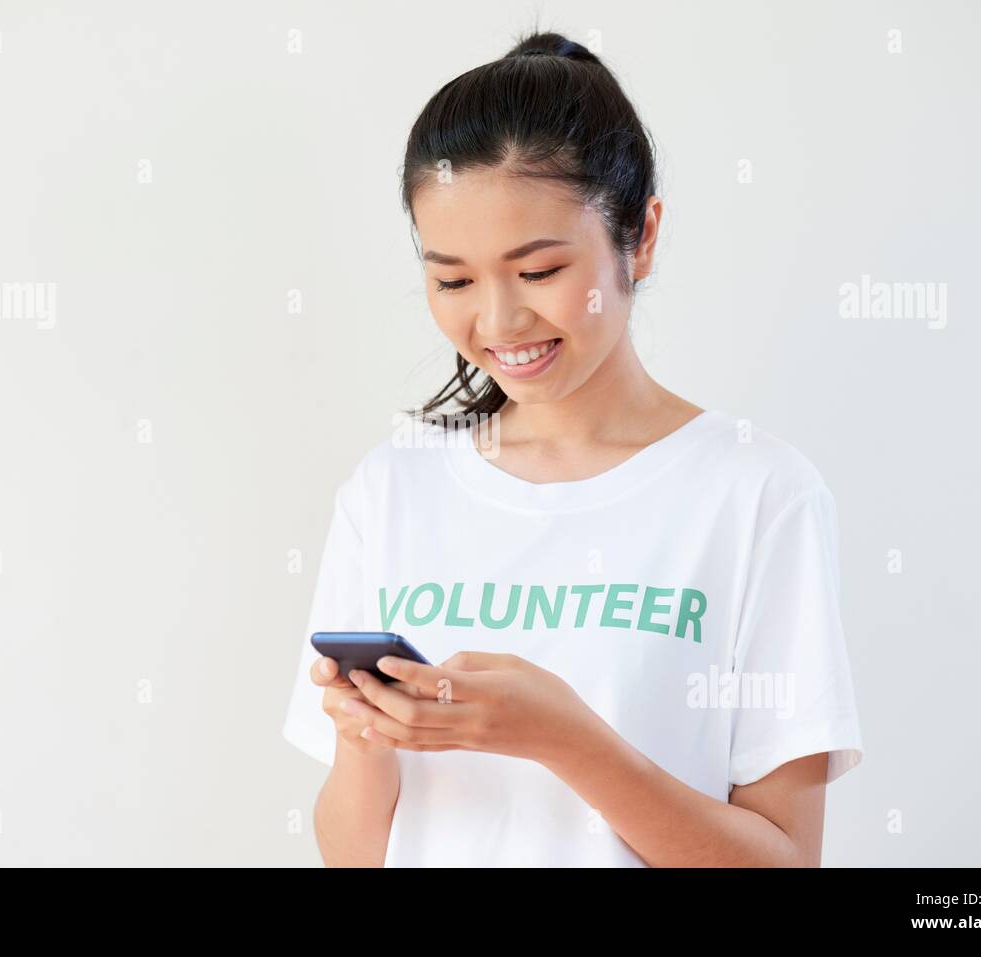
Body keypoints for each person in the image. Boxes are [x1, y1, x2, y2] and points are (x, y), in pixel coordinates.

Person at [281, 28, 863, 867]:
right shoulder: (389, 492)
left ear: (643, 236)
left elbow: (785, 862)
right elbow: (353, 851)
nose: (498, 321)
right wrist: (370, 739)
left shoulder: (757, 495)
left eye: (541, 270)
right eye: (453, 280)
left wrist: (566, 738)